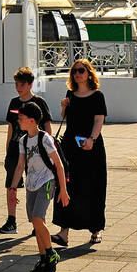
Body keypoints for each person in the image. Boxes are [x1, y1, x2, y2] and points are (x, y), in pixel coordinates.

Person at [9, 101, 70, 272]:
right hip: (31, 184)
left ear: (32, 120)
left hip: (47, 182)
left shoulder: (45, 138)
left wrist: (63, 190)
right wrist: (13, 188)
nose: (18, 120)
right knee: (36, 223)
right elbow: (20, 166)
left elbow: (58, 165)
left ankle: (51, 253)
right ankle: (43, 258)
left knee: (37, 219)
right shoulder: (23, 140)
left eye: (21, 117)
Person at [51, 58, 108, 247]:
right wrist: (63, 107)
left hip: (91, 148)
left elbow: (99, 120)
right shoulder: (70, 94)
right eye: (74, 71)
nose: (77, 74)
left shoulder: (97, 96)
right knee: (67, 187)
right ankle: (63, 233)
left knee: (93, 188)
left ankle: (96, 230)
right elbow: (66, 119)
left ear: (89, 73)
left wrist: (92, 139)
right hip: (70, 147)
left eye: (81, 70)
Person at [0, 67, 53, 234]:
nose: (18, 87)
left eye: (21, 84)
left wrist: (46, 148)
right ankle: (11, 220)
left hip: (35, 150)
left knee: (36, 184)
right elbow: (10, 127)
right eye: (16, 84)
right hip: (15, 148)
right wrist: (7, 148)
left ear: (30, 84)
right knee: (10, 184)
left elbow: (47, 127)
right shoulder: (14, 103)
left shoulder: (39, 102)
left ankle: (38, 222)